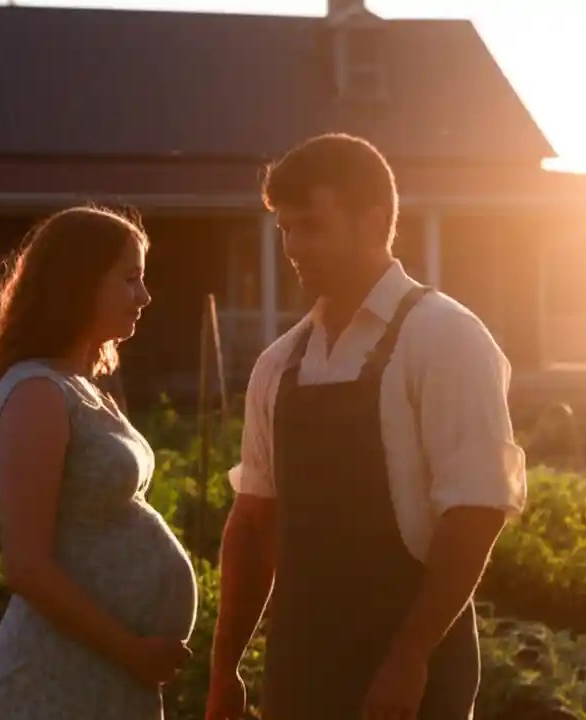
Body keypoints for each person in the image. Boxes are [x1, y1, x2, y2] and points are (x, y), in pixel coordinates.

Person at [205, 133, 527, 720]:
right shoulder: (279, 364)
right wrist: (225, 669)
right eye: (286, 229)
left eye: (312, 227)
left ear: (373, 221)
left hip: (409, 672)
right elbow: (253, 525)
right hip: (301, 670)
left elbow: (475, 513)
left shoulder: (445, 337)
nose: (295, 246)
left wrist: (409, 658)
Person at [0, 206, 198, 719]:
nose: (144, 296)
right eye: (130, 279)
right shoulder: (37, 393)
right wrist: (132, 651)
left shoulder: (80, 387)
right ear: (79, 283)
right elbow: (27, 566)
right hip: (59, 678)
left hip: (106, 674)